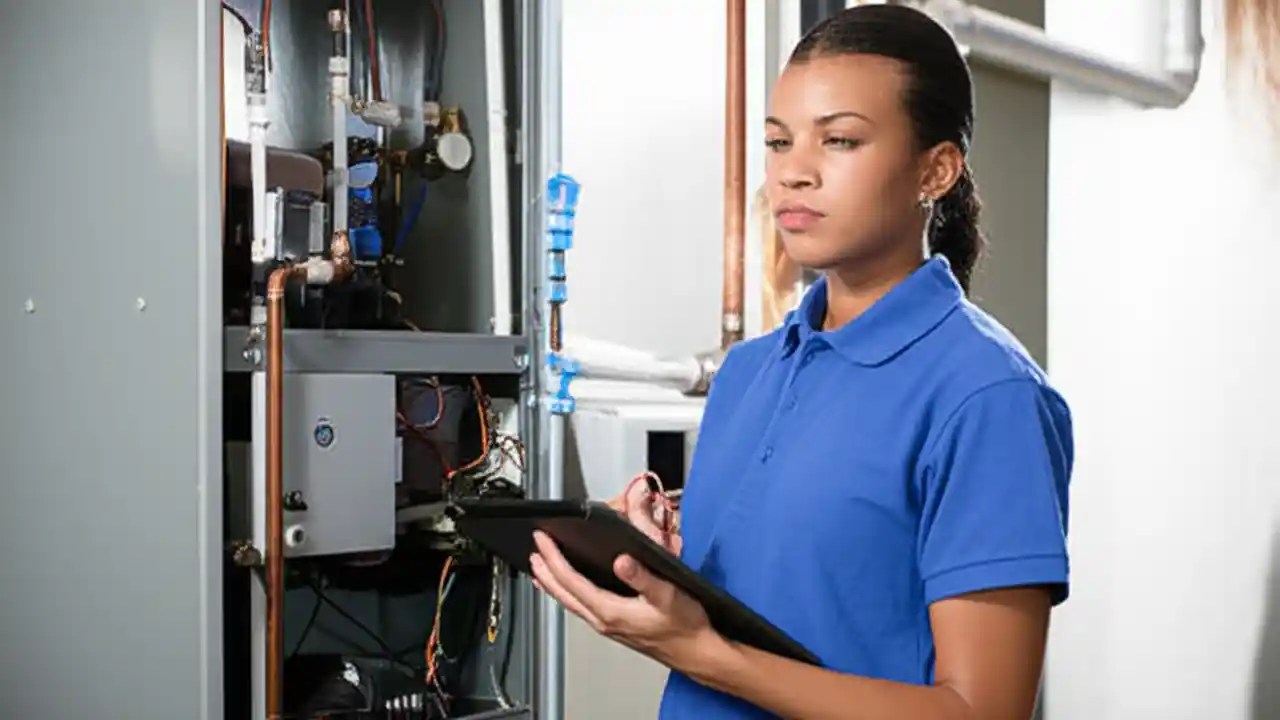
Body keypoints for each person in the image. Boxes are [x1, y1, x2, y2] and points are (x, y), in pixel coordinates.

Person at [529, 5, 1073, 719]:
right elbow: (808, 583)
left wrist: (702, 653)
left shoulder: (988, 394)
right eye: (778, 142)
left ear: (936, 170)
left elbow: (981, 710)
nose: (794, 173)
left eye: (840, 140)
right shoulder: (750, 371)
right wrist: (657, 554)